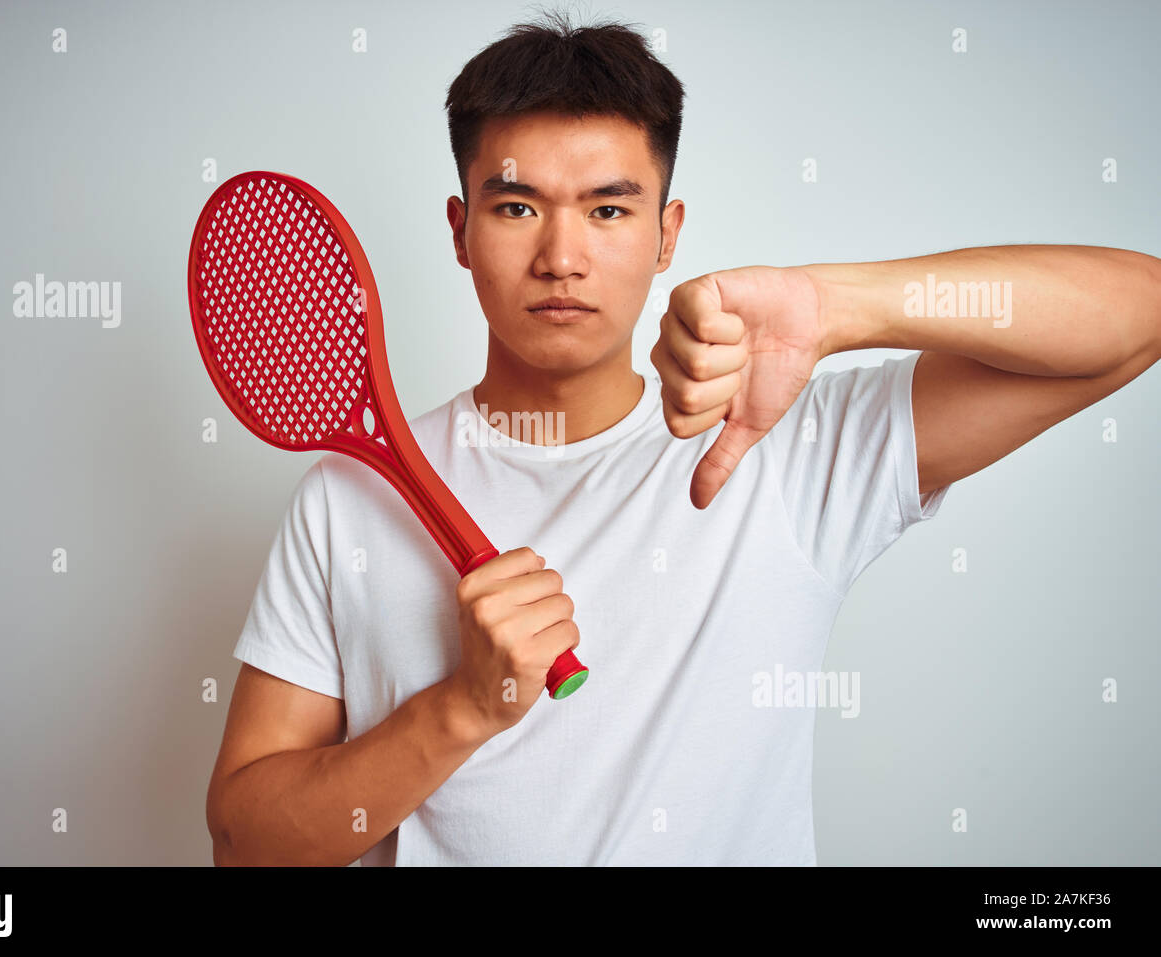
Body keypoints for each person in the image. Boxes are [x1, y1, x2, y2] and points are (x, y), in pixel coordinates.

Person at [205, 12, 1161, 865]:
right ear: (460, 231)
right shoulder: (346, 500)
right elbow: (246, 845)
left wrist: (835, 306)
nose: (562, 256)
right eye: (516, 205)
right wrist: (461, 708)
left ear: (669, 235)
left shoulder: (784, 443)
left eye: (609, 208)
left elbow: (1138, 314)